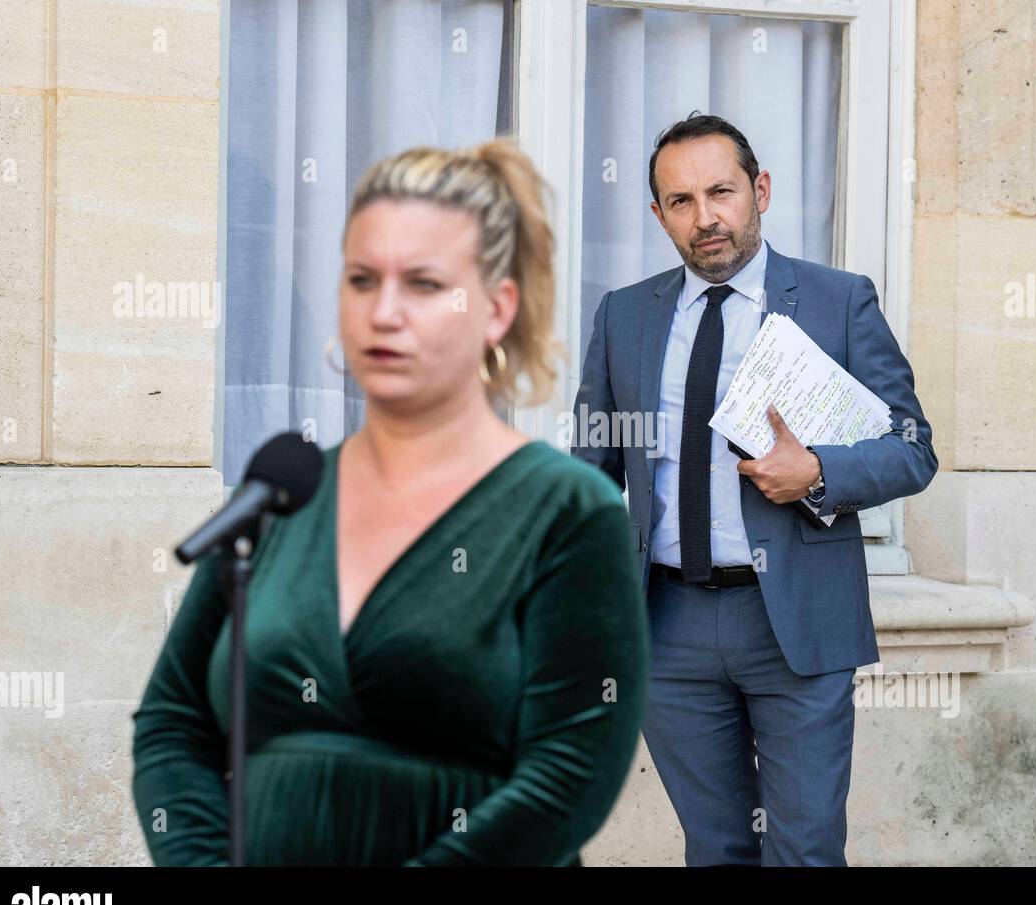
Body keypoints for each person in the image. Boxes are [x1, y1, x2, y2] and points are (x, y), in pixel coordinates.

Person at [131, 139, 649, 866]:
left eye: (425, 285)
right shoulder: (285, 493)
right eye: (362, 280)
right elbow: (172, 723)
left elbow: (570, 774)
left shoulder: (568, 510)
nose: (385, 312)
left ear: (497, 308)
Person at [570, 112, 938, 866]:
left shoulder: (838, 301)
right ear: (658, 214)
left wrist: (821, 474)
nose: (705, 218)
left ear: (760, 190)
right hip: (667, 623)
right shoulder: (625, 315)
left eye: (721, 192)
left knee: (803, 850)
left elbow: (913, 450)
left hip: (795, 622)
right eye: (680, 201)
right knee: (716, 848)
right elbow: (590, 466)